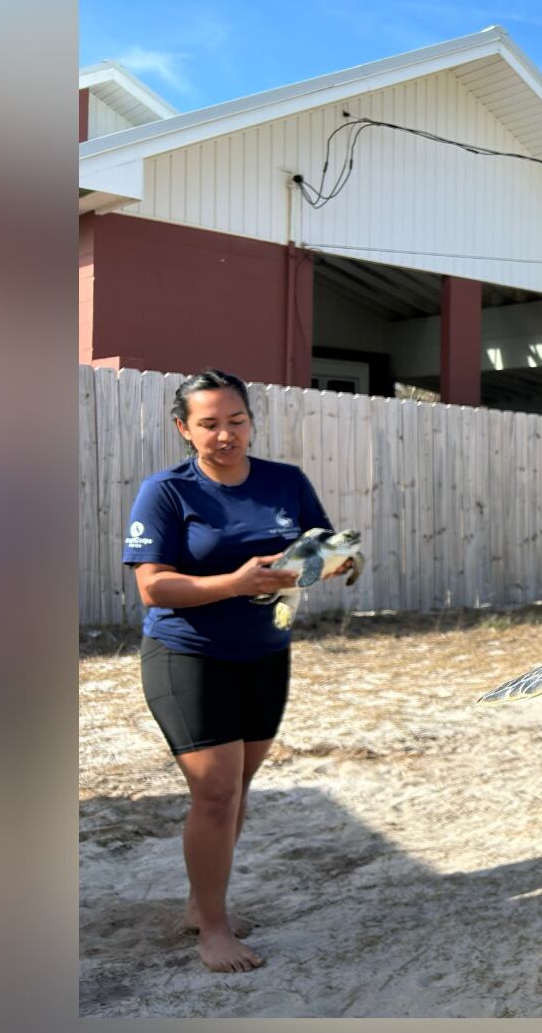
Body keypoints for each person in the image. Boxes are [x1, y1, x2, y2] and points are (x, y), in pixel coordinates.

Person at [122, 369, 342, 973]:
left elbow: (314, 548)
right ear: (184, 429)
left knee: (236, 787)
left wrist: (332, 562)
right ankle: (213, 930)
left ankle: (202, 902)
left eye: (236, 420)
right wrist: (235, 582)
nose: (226, 434)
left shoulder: (285, 481)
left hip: (266, 654)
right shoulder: (166, 491)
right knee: (215, 790)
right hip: (187, 654)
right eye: (210, 424)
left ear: (251, 420)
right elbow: (154, 586)